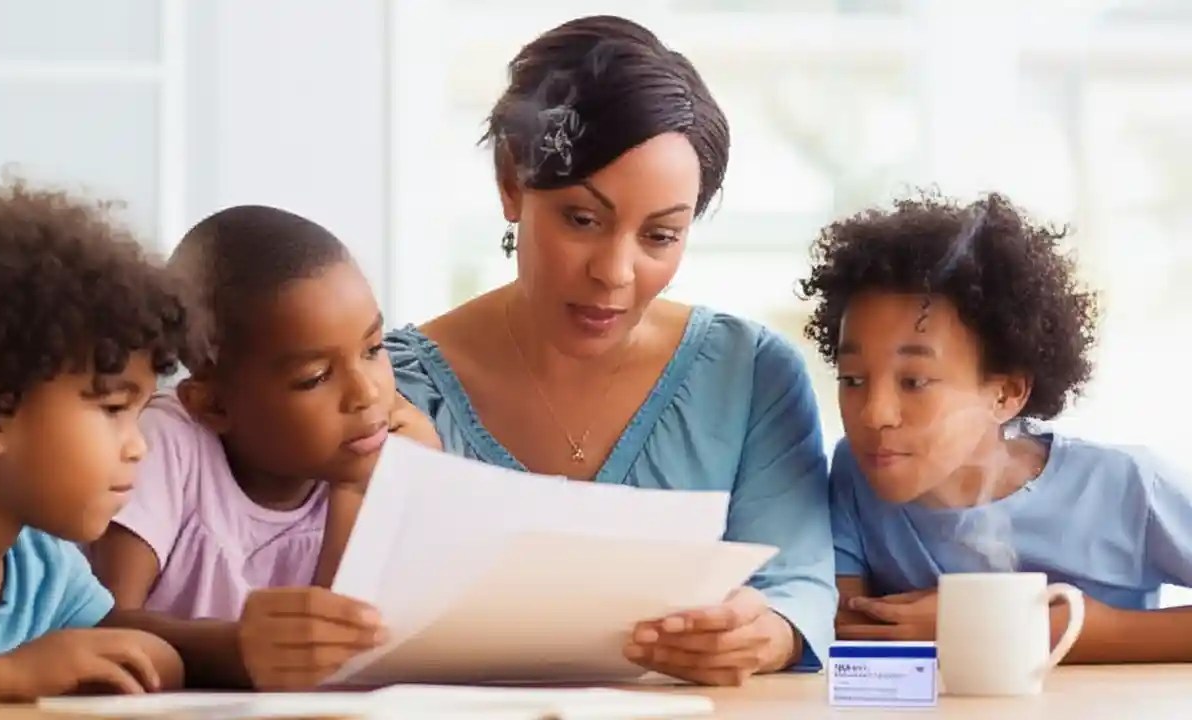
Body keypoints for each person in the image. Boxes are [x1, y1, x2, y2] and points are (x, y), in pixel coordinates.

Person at [386, 15, 835, 685]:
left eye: (659, 237)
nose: (615, 273)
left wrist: (759, 637)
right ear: (512, 182)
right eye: (583, 220)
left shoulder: (753, 376)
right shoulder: (389, 386)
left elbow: (797, 585)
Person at [799, 192, 1192, 662]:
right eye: (853, 379)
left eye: (915, 381)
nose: (874, 414)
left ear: (1005, 394)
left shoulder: (1125, 485)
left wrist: (1041, 629)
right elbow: (844, 627)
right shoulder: (855, 473)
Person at [89, 205, 440, 690]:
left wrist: (361, 497)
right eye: (315, 377)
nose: (367, 392)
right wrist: (236, 648)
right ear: (212, 406)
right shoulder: (164, 446)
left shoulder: (377, 459)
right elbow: (99, 625)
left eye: (373, 349)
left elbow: (339, 662)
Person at [0, 182, 187, 701]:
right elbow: (35, 669)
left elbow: (126, 647)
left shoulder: (42, 561)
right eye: (112, 409)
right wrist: (11, 675)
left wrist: (142, 660)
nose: (138, 447)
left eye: (141, 413)